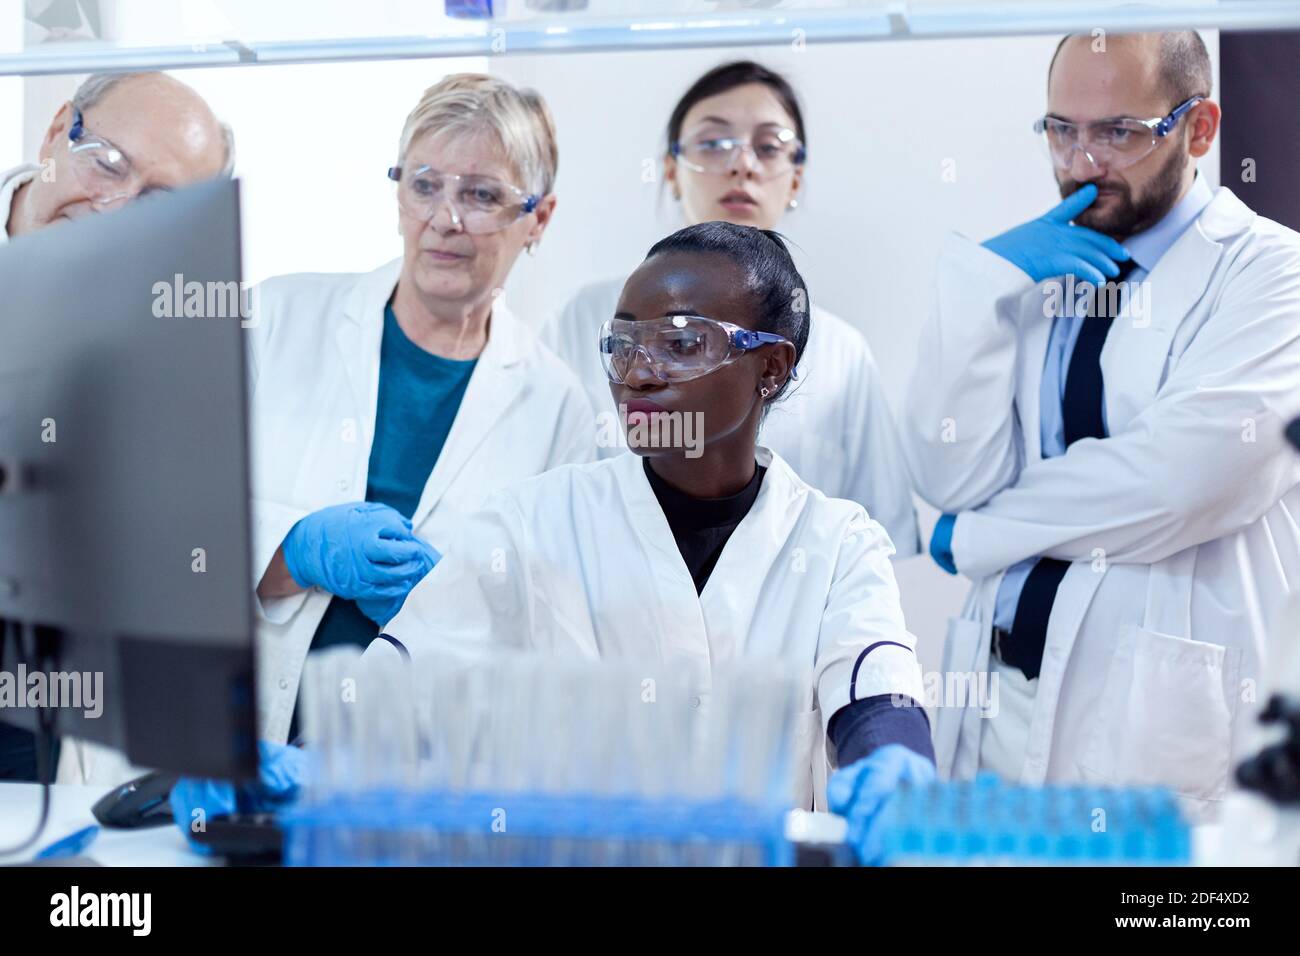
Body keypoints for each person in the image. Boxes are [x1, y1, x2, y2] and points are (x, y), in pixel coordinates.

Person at [373, 222, 935, 863]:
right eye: (624, 343)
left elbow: (874, 688)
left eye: (682, 342)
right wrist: (304, 769)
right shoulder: (532, 524)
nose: (637, 373)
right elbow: (395, 689)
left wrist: (894, 769)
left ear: (771, 368)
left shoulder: (837, 544)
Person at [904, 31, 1300, 818]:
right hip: (998, 699)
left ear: (1201, 128)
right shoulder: (1041, 268)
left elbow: (1183, 482)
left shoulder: (1272, 273)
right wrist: (983, 285)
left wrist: (981, 536)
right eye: (1062, 130)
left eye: (1118, 132)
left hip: (1158, 716)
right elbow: (951, 475)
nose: (1082, 163)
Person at [541, 61, 919, 556]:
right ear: (672, 171)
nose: (742, 163)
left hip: (795, 631)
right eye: (714, 143)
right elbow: (545, 503)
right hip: (606, 617)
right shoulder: (585, 319)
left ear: (796, 177)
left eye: (768, 146)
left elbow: (882, 535)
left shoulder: (842, 352)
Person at [0, 70, 234, 782]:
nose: (113, 209)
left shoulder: (160, 330)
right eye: (108, 163)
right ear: (55, 130)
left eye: (159, 203)